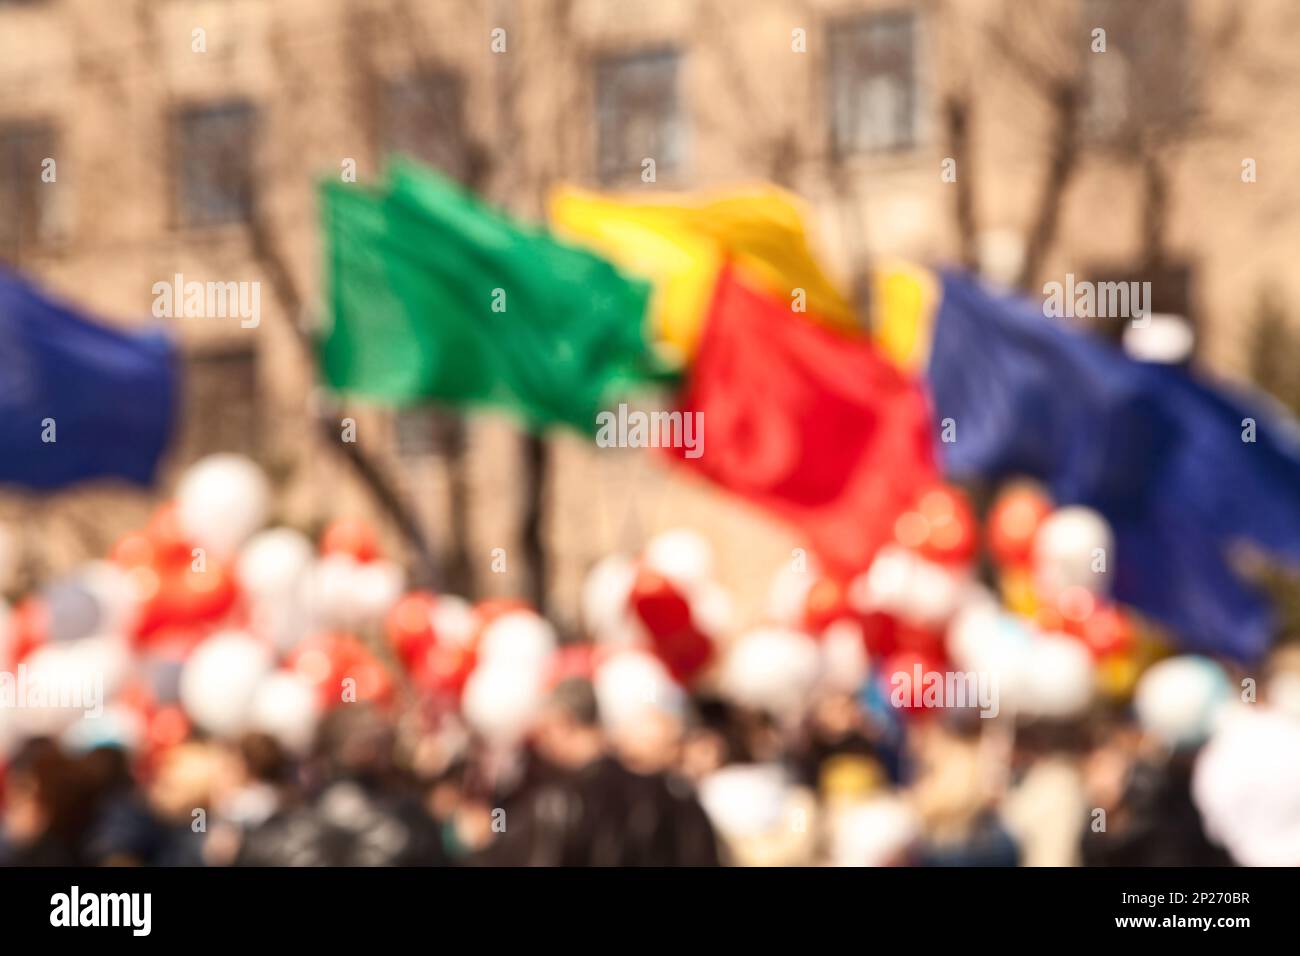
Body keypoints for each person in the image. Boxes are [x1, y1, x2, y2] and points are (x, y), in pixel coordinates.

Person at [478, 678, 721, 866]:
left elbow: (502, 837)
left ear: (563, 724)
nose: (541, 745)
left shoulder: (554, 802)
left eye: (544, 732)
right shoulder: (676, 796)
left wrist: (490, 830)